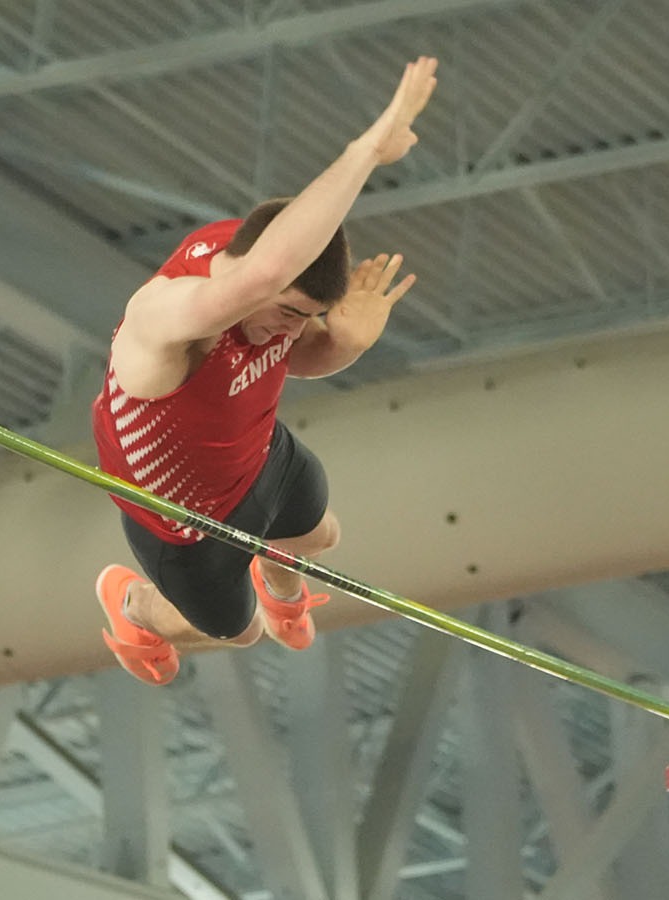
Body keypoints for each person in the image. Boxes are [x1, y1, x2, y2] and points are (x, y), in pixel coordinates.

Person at [91, 56, 438, 685]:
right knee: (239, 631)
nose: (289, 327)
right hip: (183, 525)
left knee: (322, 538)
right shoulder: (168, 317)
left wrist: (343, 345)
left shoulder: (264, 267)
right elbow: (268, 274)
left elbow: (296, 346)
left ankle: (279, 582)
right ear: (250, 272)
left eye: (306, 315)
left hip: (253, 457)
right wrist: (368, 149)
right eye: (285, 311)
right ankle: (133, 605)